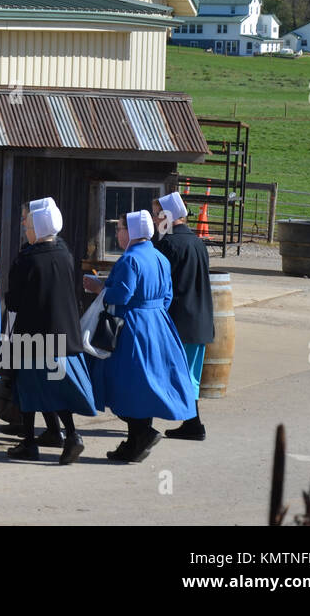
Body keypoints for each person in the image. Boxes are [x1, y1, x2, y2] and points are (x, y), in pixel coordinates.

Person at [86, 210, 196, 462]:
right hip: (158, 323)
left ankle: (141, 434)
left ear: (132, 232)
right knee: (146, 384)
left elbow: (120, 296)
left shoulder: (129, 260)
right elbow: (167, 296)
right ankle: (135, 441)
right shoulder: (159, 257)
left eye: (121, 228)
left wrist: (99, 287)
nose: (118, 233)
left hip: (132, 325)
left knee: (126, 382)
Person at [3, 198, 96, 465]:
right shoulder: (64, 252)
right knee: (56, 388)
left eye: (28, 225)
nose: (25, 229)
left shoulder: (27, 260)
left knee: (29, 388)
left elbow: (15, 302)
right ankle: (68, 436)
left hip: (32, 334)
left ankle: (33, 443)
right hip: (64, 333)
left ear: (38, 228)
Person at [153, 191, 215, 441]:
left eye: (158, 215)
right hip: (201, 318)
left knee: (178, 374)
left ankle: (193, 424)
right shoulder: (197, 242)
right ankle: (191, 422)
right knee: (190, 375)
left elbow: (161, 284)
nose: (156, 220)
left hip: (180, 320)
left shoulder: (168, 244)